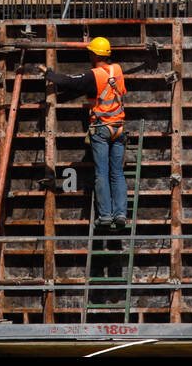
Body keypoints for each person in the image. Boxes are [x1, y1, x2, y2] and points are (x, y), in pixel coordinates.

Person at [39, 37, 129, 229]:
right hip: (120, 128)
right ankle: (120, 214)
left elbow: (71, 82)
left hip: (101, 129)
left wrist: (49, 74)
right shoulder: (118, 70)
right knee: (118, 173)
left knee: (102, 174)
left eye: (90, 52)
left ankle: (105, 216)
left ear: (95, 55)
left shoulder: (94, 75)